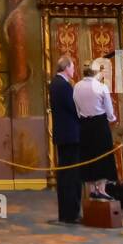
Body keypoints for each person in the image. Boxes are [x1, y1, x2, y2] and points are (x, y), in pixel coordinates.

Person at [73, 60, 118, 199]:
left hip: (84, 125)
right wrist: (112, 119)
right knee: (103, 156)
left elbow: (77, 109)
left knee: (88, 156)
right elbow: (109, 111)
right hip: (100, 124)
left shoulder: (76, 86)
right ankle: (102, 189)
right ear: (96, 72)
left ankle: (92, 189)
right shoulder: (101, 87)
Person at [48, 56, 82, 225]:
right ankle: (71, 213)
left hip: (63, 134)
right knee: (71, 175)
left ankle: (66, 213)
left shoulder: (54, 83)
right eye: (72, 66)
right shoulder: (63, 86)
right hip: (71, 134)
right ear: (66, 67)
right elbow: (74, 108)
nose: (74, 69)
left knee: (65, 174)